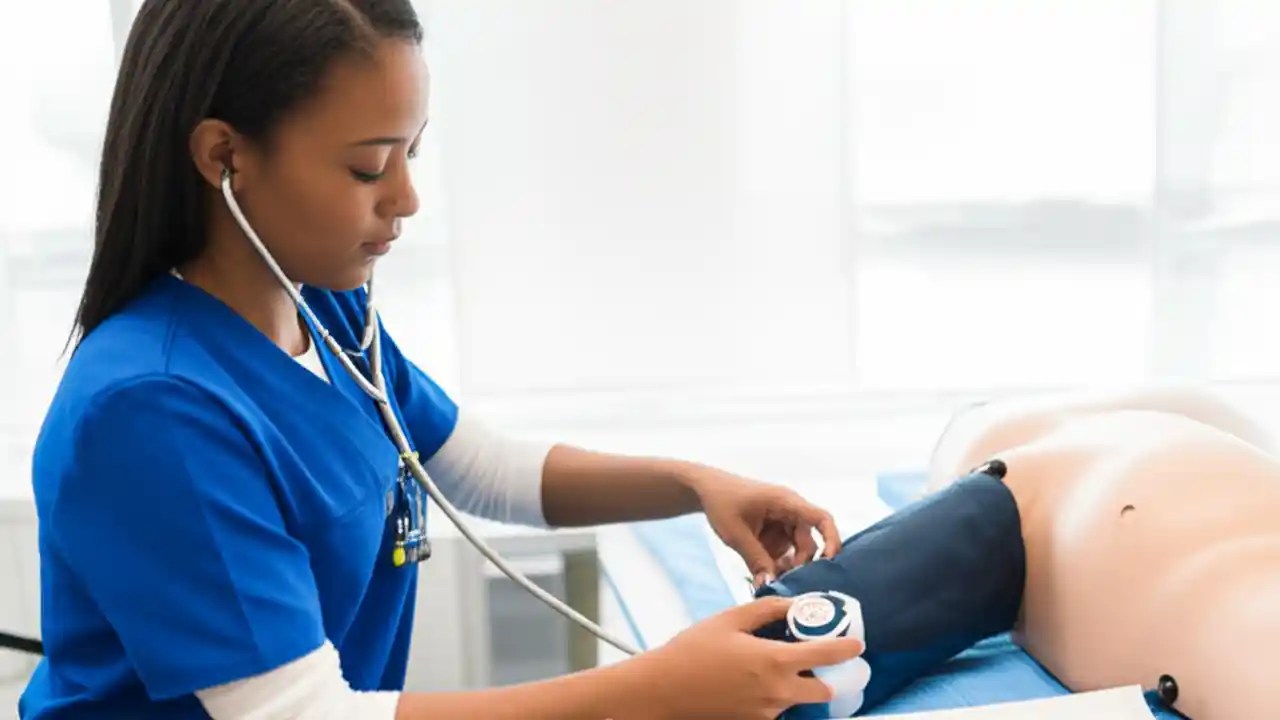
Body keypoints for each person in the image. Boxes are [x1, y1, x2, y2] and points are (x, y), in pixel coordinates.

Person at [17, 2, 864, 718]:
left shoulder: (322, 306)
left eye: (411, 154)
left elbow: (475, 467)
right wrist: (659, 689)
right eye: (368, 167)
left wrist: (691, 485)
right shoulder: (152, 410)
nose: (407, 199)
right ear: (224, 157)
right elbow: (300, 714)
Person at [756, 386, 1280, 720]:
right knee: (787, 654)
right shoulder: (1023, 488)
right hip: (1113, 525)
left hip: (1161, 532)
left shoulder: (1031, 472)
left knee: (787, 651)